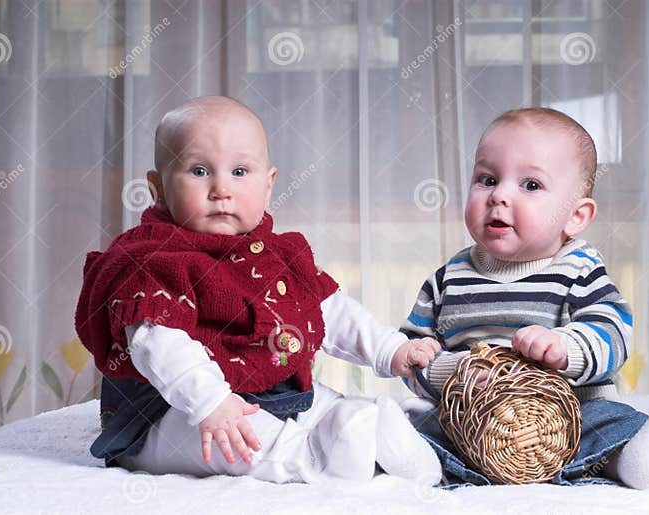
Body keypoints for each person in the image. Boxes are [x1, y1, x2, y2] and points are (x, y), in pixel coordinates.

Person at [75, 96, 442, 485]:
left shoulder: (277, 255)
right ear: (159, 189)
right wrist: (211, 402)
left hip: (268, 390)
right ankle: (316, 458)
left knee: (323, 402)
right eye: (199, 170)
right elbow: (157, 344)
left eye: (239, 171)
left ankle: (380, 430)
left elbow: (328, 311)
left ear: (268, 186)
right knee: (241, 441)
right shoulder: (154, 260)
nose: (221, 189)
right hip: (168, 410)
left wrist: (389, 348)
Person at [401, 107, 649, 489]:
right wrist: (451, 371)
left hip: (570, 414)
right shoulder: (449, 279)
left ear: (575, 216)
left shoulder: (578, 269)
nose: (499, 195)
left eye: (531, 185)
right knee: (422, 422)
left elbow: (613, 333)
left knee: (610, 421)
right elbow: (410, 353)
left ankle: (634, 461)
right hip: (473, 421)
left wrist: (565, 348)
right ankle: (418, 461)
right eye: (487, 179)